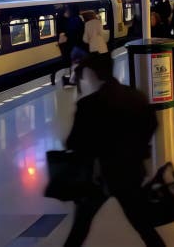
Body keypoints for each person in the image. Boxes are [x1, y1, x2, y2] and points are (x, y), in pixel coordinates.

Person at [63, 53, 164, 247]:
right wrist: (139, 151)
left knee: (80, 228)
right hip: (130, 174)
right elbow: (152, 124)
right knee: (143, 226)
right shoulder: (135, 96)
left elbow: (74, 142)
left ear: (93, 74)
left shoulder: (88, 105)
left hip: (98, 176)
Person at [51, 5, 84, 86]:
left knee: (68, 61)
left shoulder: (61, 18)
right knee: (69, 61)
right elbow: (76, 31)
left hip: (65, 43)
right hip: (69, 43)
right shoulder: (69, 19)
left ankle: (69, 79)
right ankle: (69, 79)